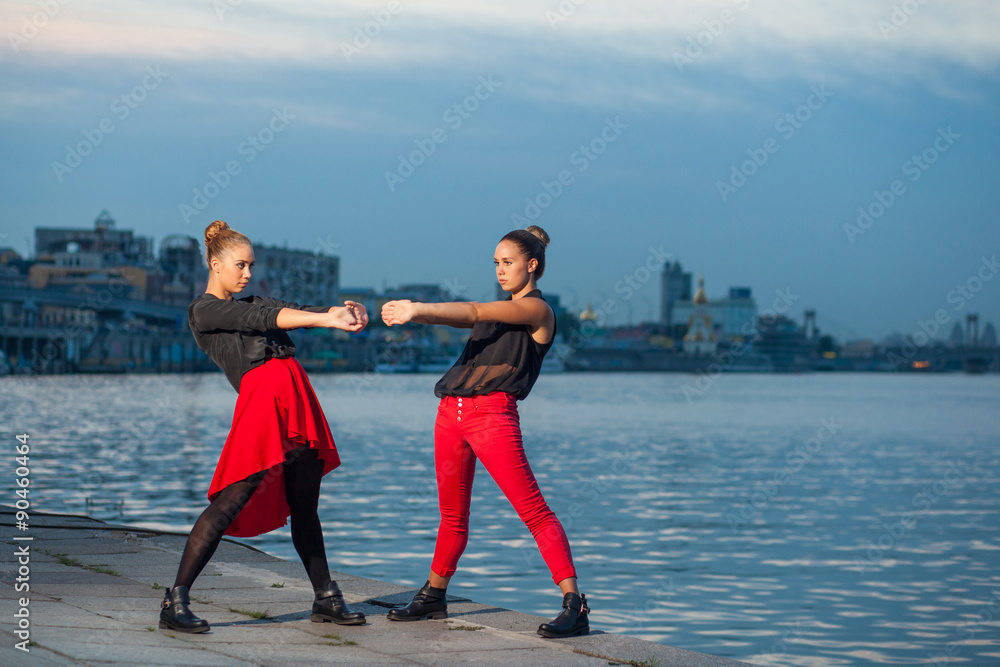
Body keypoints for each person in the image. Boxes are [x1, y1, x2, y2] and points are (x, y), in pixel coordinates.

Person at [159, 220, 369, 633]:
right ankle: (175, 599)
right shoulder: (203, 310)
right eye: (240, 265)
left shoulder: (255, 300)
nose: (248, 273)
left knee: (305, 505)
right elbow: (262, 316)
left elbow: (288, 310)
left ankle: (326, 598)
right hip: (261, 404)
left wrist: (339, 312)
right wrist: (325, 321)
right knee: (230, 501)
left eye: (251, 265)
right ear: (215, 264)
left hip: (295, 396)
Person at [380, 225, 589, 638]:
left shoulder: (537, 312)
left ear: (532, 266)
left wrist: (417, 309)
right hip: (450, 414)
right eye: (495, 263)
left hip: (493, 415)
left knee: (533, 510)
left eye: (507, 262)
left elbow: (474, 311)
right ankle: (434, 594)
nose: (500, 270)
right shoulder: (497, 311)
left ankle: (575, 604)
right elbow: (472, 316)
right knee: (452, 516)